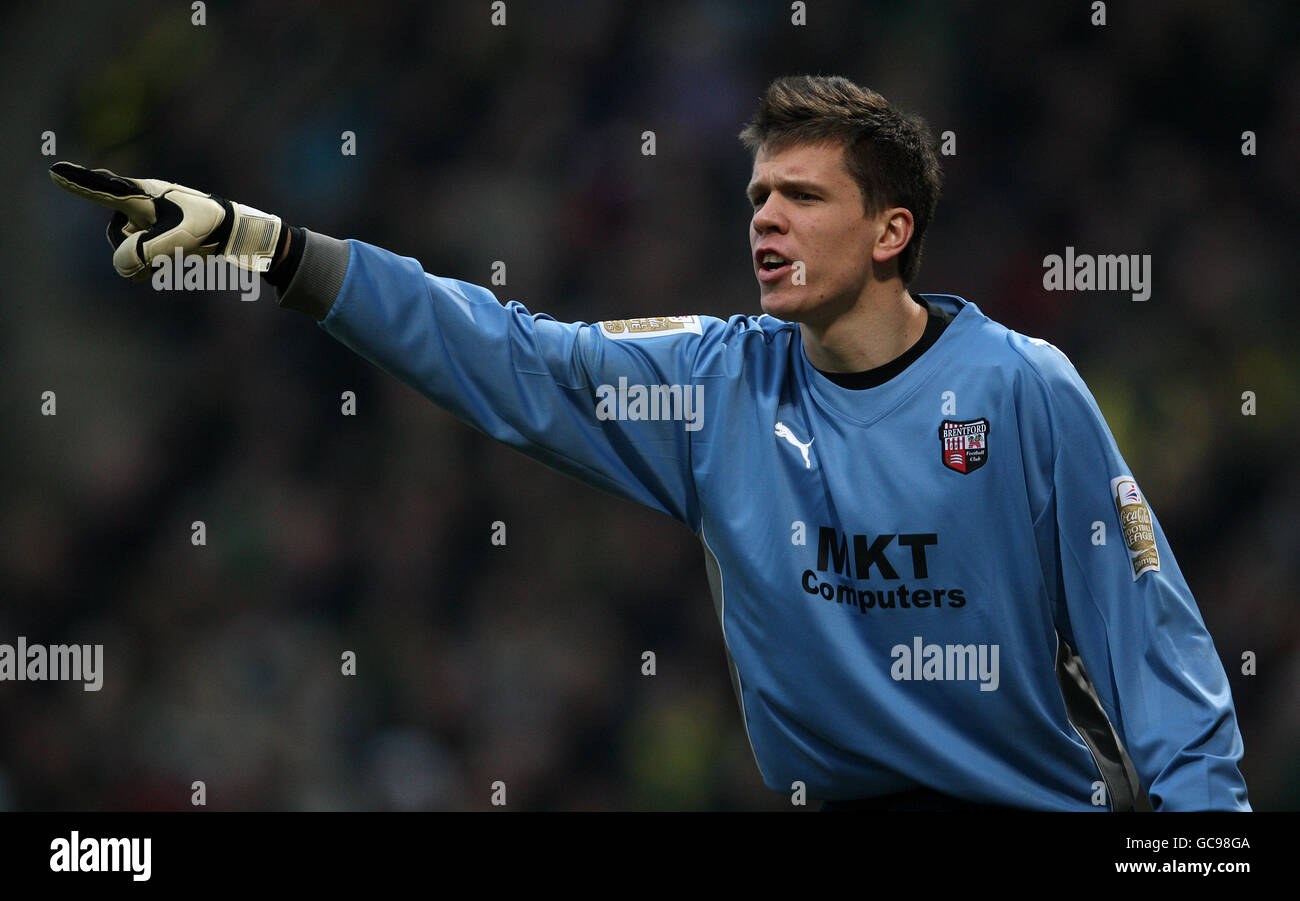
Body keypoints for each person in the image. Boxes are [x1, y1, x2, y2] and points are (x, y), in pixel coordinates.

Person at [51, 74, 1249, 811]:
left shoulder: (1026, 391)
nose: (766, 219)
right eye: (756, 197)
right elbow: (507, 354)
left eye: (802, 197)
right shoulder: (717, 384)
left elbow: (1156, 654)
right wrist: (271, 248)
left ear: (892, 232)